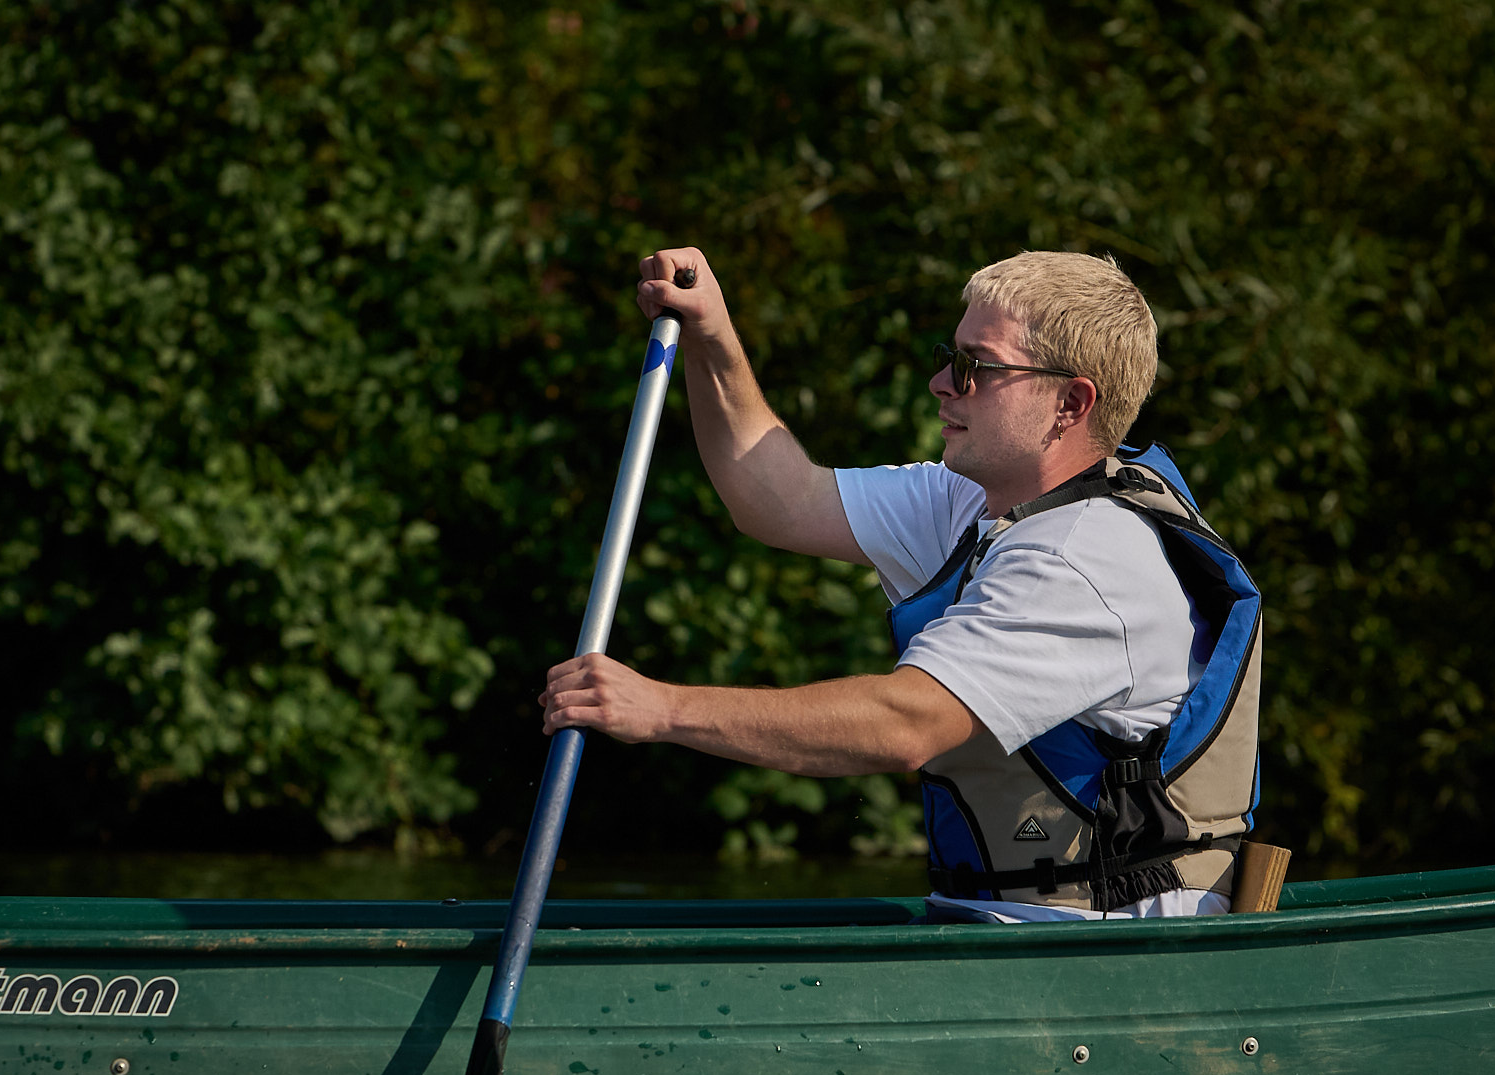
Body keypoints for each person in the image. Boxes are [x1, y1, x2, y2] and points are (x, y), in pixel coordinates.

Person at [539, 248, 1262, 922]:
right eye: (950, 357)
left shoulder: (1087, 560)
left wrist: (661, 708)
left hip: (1101, 950)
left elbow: (905, 723)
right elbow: (779, 499)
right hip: (1000, 931)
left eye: (978, 366)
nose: (942, 382)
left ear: (1070, 404)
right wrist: (712, 336)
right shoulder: (973, 498)